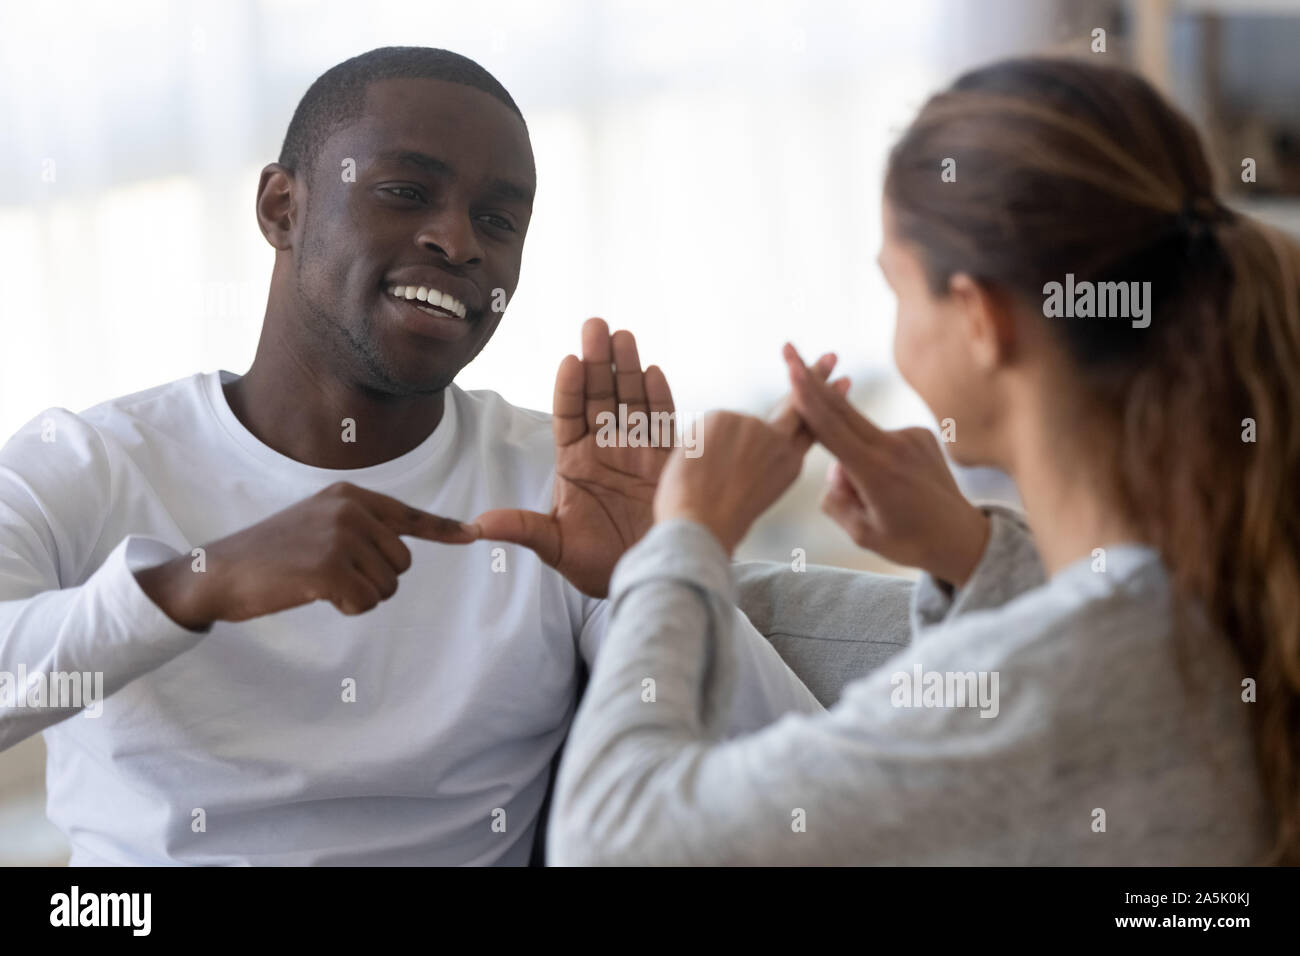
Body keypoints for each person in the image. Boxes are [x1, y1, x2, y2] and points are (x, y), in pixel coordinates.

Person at [0, 46, 840, 865]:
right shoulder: (84, 463)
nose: (459, 242)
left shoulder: (559, 486)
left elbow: (815, 798)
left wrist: (658, 569)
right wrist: (198, 582)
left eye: (498, 220)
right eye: (405, 192)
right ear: (280, 209)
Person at [546, 57, 1299, 865]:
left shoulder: (1077, 673)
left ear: (979, 318)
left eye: (897, 289)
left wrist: (683, 541)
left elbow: (608, 846)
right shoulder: (1226, 578)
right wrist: (972, 554)